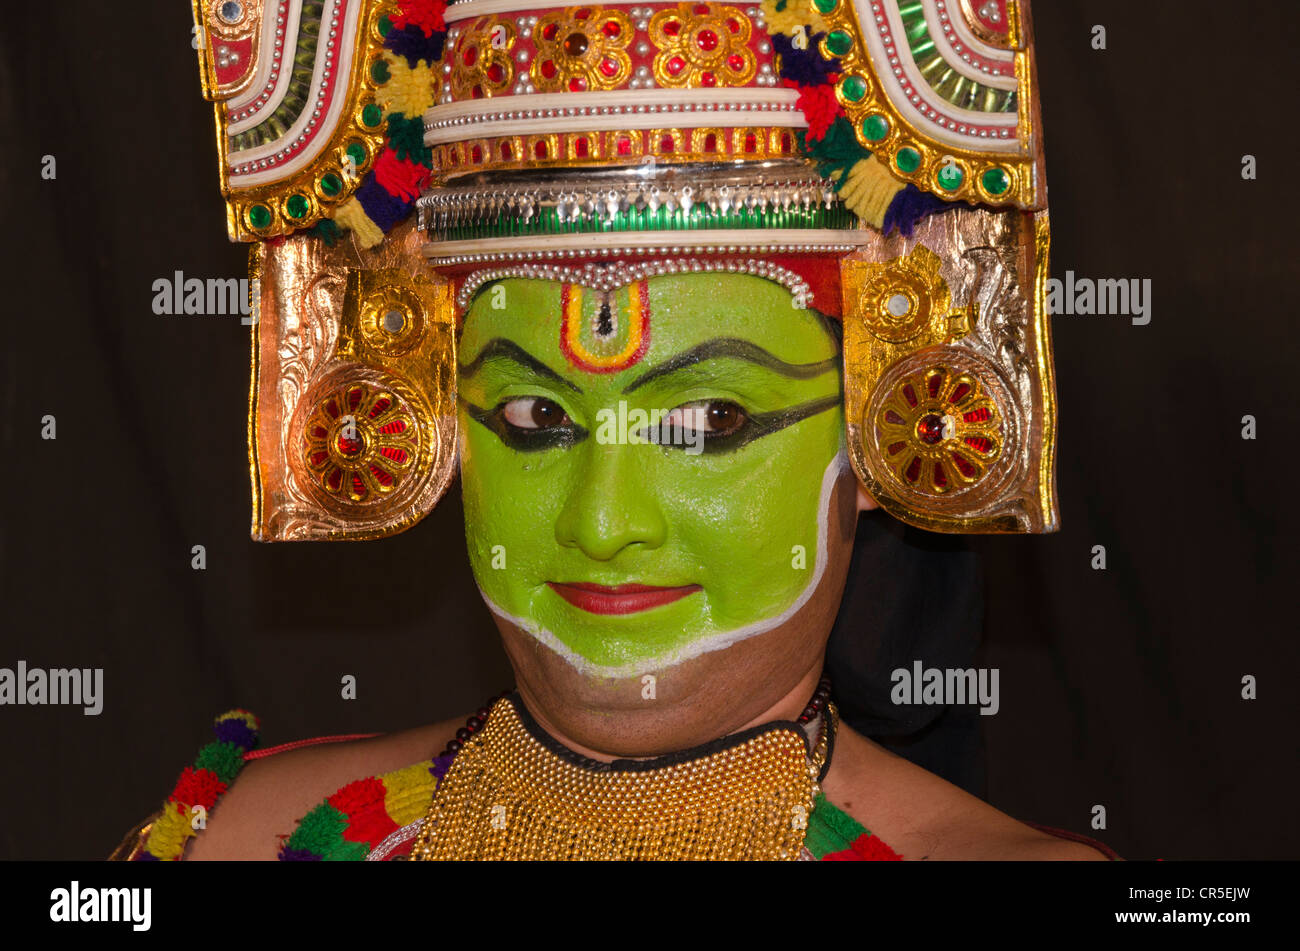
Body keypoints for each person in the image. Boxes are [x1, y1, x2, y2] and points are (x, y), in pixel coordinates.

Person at [112, 0, 1115, 860]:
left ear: (878, 435)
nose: (602, 524)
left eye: (709, 420)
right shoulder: (244, 838)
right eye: (534, 417)